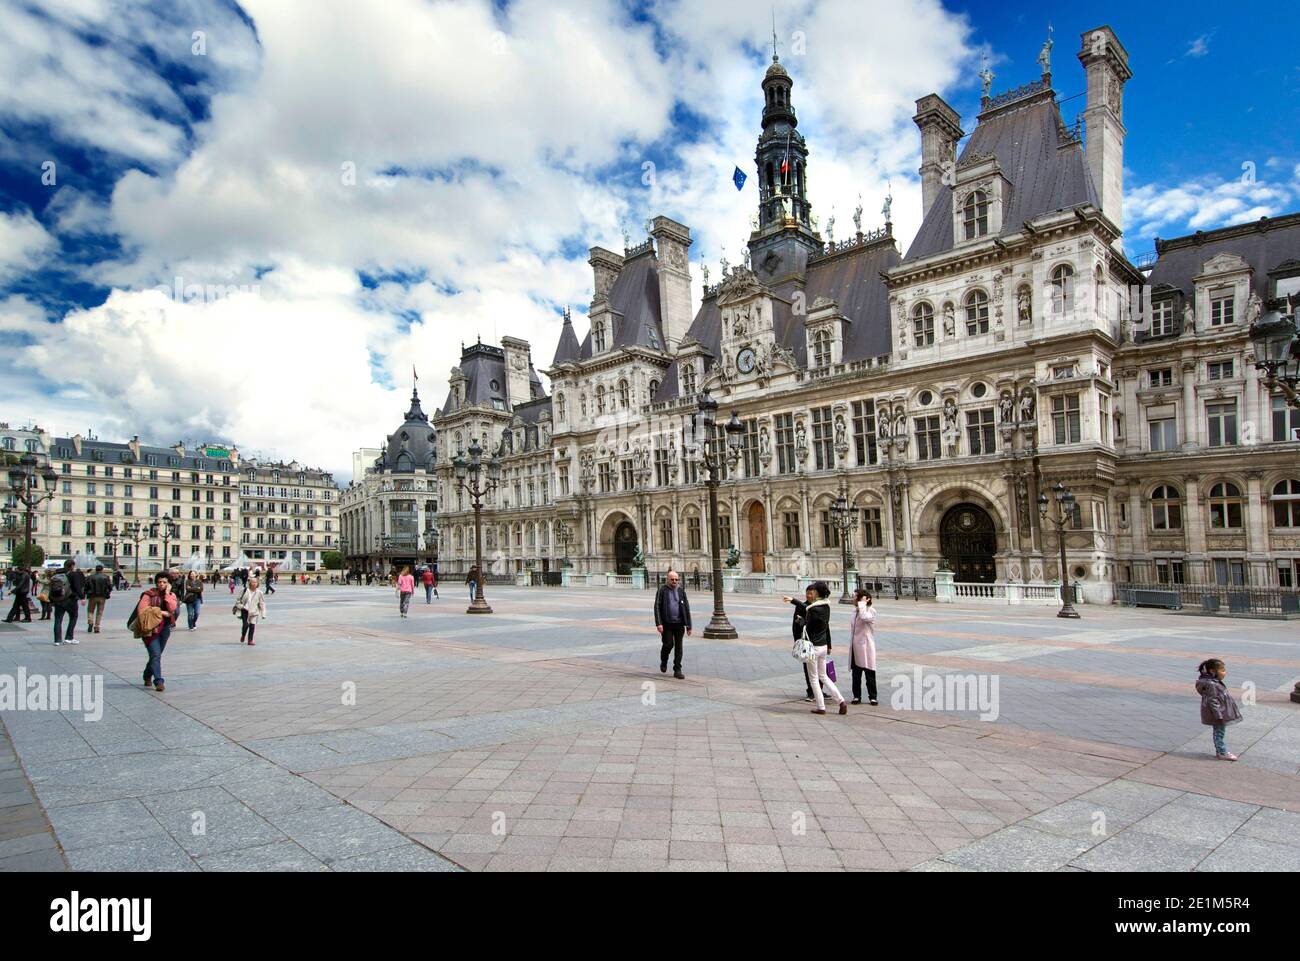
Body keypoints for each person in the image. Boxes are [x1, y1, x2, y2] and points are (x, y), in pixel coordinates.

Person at [784, 582, 847, 716]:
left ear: (817, 593)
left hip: (813, 647)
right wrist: (794, 601)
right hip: (823, 646)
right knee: (823, 676)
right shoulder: (825, 606)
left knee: (814, 678)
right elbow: (807, 607)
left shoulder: (814, 609)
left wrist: (801, 622)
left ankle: (821, 707)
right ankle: (841, 701)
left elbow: (808, 626)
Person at [137, 572, 178, 691]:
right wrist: (161, 612)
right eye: (159, 582)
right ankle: (158, 681)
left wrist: (166, 594)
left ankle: (147, 675)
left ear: (168, 584)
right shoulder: (148, 595)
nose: (161, 584)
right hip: (150, 628)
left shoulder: (171, 595)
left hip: (165, 628)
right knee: (155, 654)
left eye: (164, 582)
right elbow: (141, 610)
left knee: (156, 655)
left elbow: (172, 608)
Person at [1196, 658, 1242, 761]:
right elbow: (1212, 701)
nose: (1224, 673)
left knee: (1218, 732)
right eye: (1222, 670)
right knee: (1219, 733)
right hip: (1217, 714)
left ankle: (1220, 751)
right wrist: (1219, 715)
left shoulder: (1213, 682)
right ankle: (1222, 752)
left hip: (1218, 713)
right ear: (1213, 671)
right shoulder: (1212, 684)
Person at [653, 569, 692, 680]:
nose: (674, 581)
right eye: (672, 579)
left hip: (679, 624)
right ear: (667, 579)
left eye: (676, 579)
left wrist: (689, 626)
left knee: (679, 647)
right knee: (668, 644)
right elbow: (657, 607)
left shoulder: (681, 590)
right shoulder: (662, 590)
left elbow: (686, 608)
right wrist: (659, 623)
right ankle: (664, 660)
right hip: (666, 624)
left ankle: (677, 669)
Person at [849, 589, 878, 706]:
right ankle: (856, 695)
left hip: (866, 646)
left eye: (856, 597)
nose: (854, 599)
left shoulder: (871, 611)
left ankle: (873, 696)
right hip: (856, 646)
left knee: (869, 671)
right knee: (856, 673)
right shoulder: (854, 611)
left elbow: (865, 617)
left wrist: (862, 604)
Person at [51, 559, 84, 646]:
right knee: (73, 617)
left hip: (58, 599)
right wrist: (82, 597)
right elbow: (77, 587)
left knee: (58, 620)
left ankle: (57, 640)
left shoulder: (57, 574)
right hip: (70, 599)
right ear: (72, 566)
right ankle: (69, 638)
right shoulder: (73, 574)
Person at [236, 576, 267, 645]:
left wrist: (263, 613)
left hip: (254, 612)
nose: (254, 583)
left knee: (252, 626)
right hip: (245, 611)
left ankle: (250, 640)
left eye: (255, 582)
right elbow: (238, 600)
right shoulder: (244, 591)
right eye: (252, 582)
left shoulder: (259, 593)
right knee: (245, 625)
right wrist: (241, 606)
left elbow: (262, 603)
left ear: (257, 583)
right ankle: (243, 635)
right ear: (250, 583)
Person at [85, 564, 113, 634]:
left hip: (92, 596)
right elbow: (110, 587)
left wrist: (85, 594)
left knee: (90, 610)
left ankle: (90, 621)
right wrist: (108, 592)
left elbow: (86, 586)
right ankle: (97, 627)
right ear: (102, 569)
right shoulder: (106, 577)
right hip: (102, 597)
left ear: (96, 569)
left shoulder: (90, 577)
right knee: (99, 612)